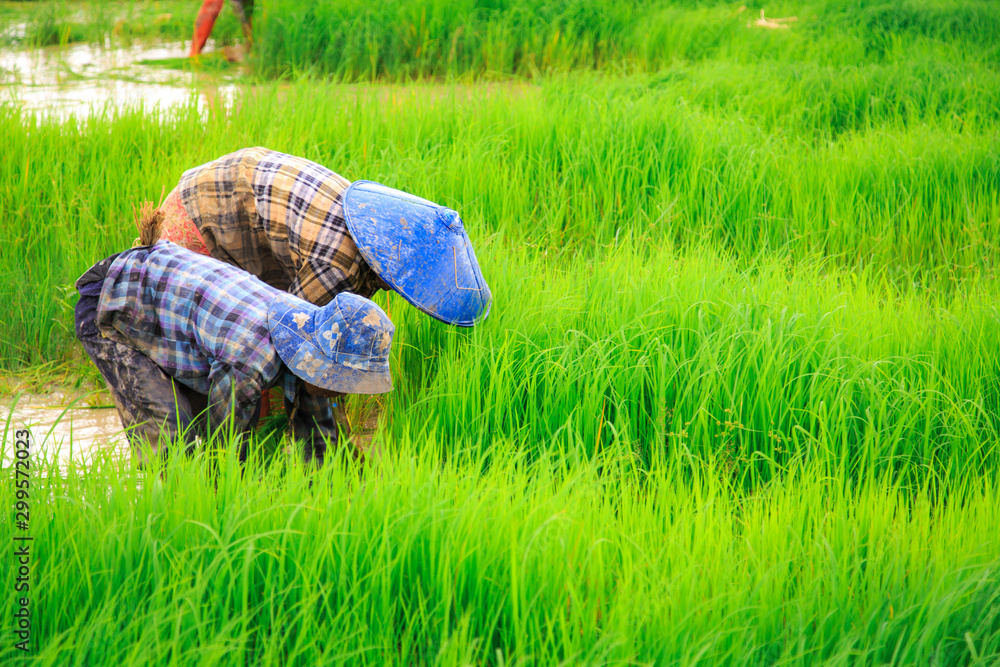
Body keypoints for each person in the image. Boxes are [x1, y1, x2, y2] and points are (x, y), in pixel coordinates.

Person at [135, 147, 492, 424]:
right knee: (226, 355)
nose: (397, 291)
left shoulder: (370, 220)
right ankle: (205, 454)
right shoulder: (336, 265)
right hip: (201, 218)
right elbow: (290, 338)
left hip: (236, 199)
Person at [75, 241, 394, 466]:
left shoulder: (305, 328)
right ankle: (176, 518)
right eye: (344, 380)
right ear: (321, 363)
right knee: (171, 432)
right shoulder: (252, 359)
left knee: (235, 426)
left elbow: (321, 443)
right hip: (111, 303)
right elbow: (222, 447)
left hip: (170, 308)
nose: (345, 391)